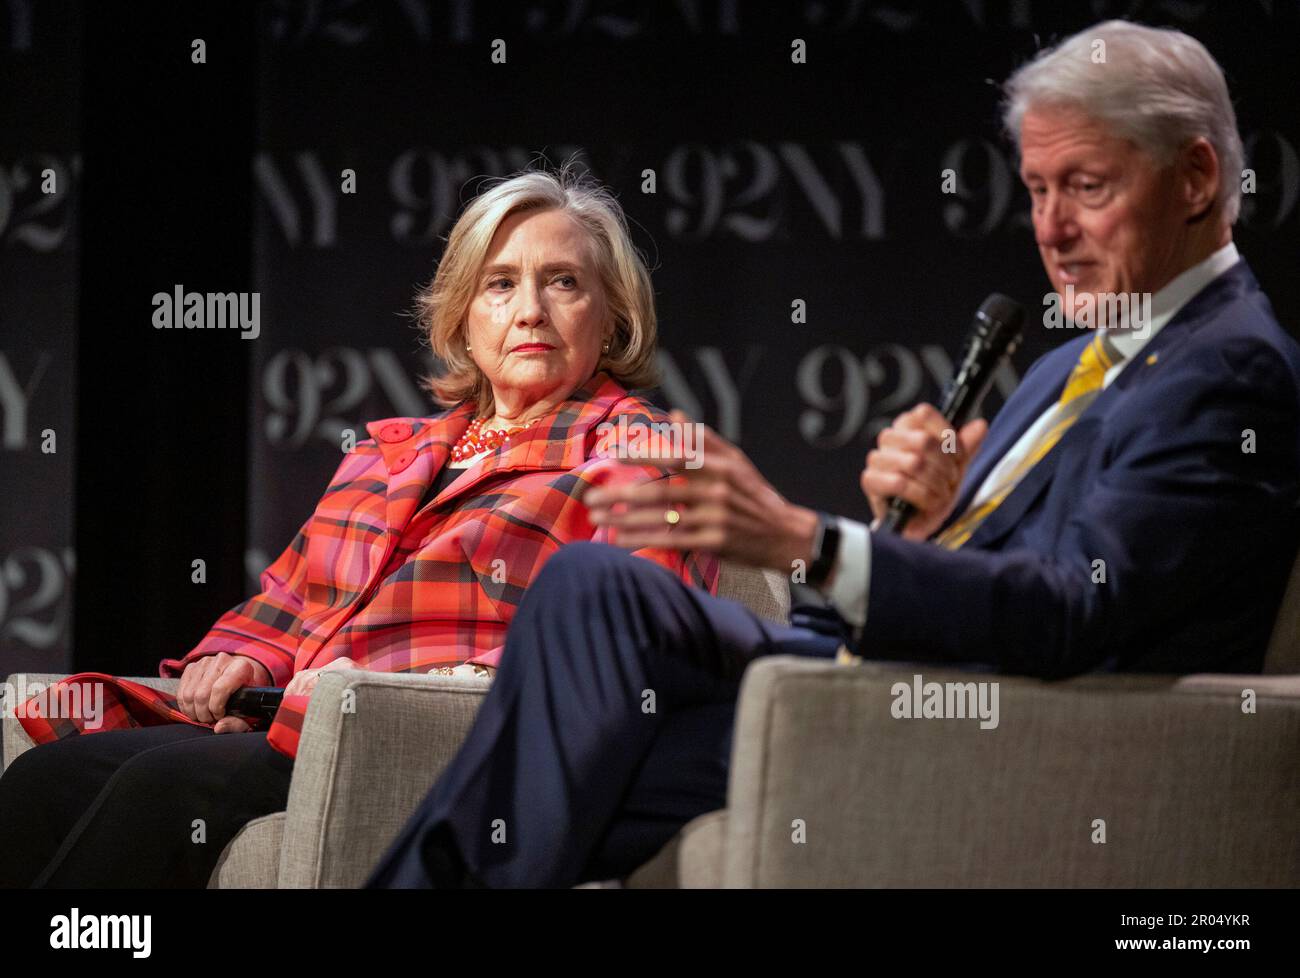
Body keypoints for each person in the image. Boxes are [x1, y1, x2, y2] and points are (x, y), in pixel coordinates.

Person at [368, 20, 1300, 888]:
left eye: (1087, 188)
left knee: (567, 761)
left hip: (975, 723)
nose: (1050, 230)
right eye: (1037, 190)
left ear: (1195, 178)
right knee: (592, 589)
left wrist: (812, 541)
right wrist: (933, 529)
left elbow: (1075, 608)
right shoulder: (1071, 364)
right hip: (871, 664)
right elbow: (1004, 571)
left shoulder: (1228, 369)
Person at [0, 168, 717, 888]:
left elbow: (632, 655)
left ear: (612, 313)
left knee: (160, 786)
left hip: (417, 733)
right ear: (463, 317)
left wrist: (381, 686)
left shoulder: (637, 454)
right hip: (294, 718)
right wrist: (246, 660)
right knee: (47, 777)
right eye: (500, 284)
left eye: (563, 282)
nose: (529, 310)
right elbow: (291, 599)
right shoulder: (392, 453)